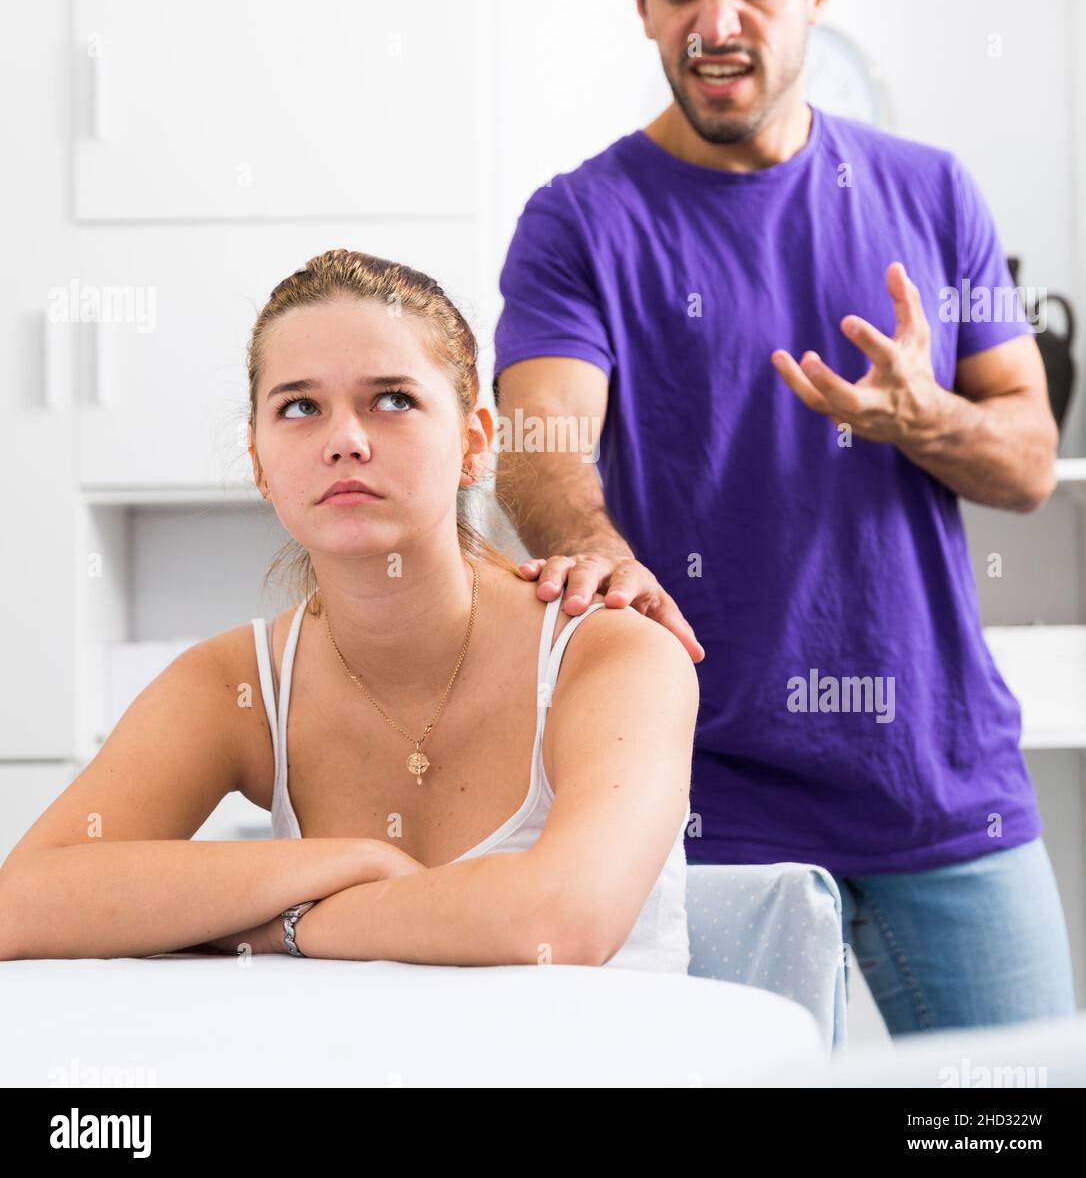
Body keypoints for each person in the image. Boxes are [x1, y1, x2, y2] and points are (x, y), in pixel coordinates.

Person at [492, 0, 1076, 1032]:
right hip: (703, 810)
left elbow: (1025, 460)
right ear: (641, 3)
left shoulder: (933, 192)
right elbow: (541, 445)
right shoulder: (577, 224)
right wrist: (595, 550)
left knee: (1016, 1121)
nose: (715, 23)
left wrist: (925, 417)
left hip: (941, 790)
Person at [0, 249, 696, 971]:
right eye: (300, 406)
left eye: (392, 399)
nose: (346, 442)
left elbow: (564, 922)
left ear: (473, 442)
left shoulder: (614, 650)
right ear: (260, 463)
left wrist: (282, 928)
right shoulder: (239, 683)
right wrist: (354, 860)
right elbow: (22, 906)